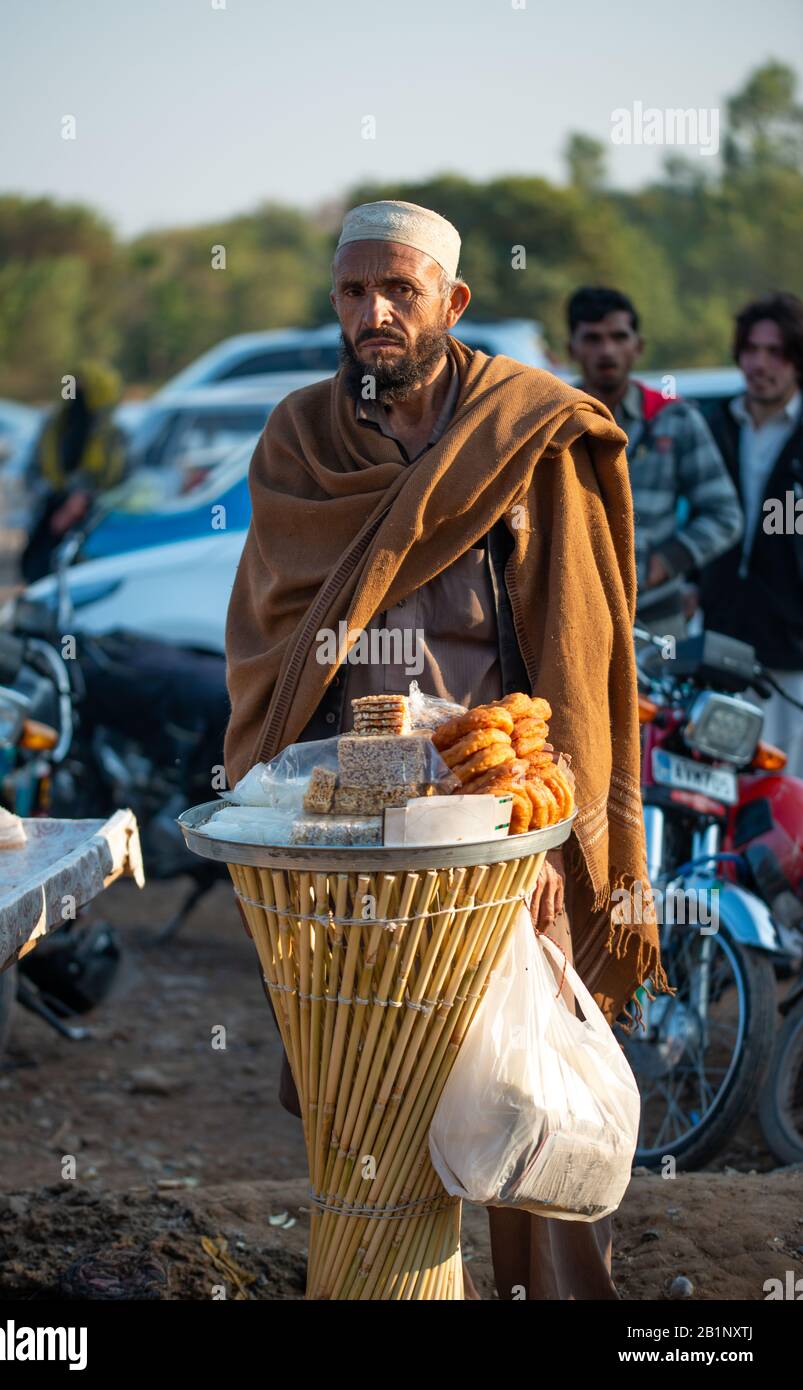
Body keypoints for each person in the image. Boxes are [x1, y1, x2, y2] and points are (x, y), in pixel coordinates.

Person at [223, 200, 670, 1300]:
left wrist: (554, 826)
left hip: (501, 797)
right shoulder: (300, 436)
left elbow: (578, 643)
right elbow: (269, 639)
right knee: (371, 1073)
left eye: (398, 291)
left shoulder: (526, 425)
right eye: (351, 292)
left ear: (453, 302)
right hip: (357, 795)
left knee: (527, 1086)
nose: (372, 313)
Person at [567, 287, 743, 639]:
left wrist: (664, 563)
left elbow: (725, 515)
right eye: (593, 338)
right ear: (572, 348)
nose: (607, 350)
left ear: (638, 346)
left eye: (619, 336)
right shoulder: (555, 419)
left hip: (656, 621)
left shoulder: (674, 417)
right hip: (573, 613)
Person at [698, 293, 803, 776]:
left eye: (776, 352)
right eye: (751, 350)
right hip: (720, 639)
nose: (760, 364)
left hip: (790, 651)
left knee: (781, 786)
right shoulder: (713, 424)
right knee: (714, 784)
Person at [20, 361, 126, 582]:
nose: (75, 394)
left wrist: (81, 500)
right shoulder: (56, 425)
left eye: (83, 389)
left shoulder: (110, 435)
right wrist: (49, 496)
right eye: (72, 387)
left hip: (93, 518)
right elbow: (34, 469)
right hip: (52, 510)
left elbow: (117, 478)